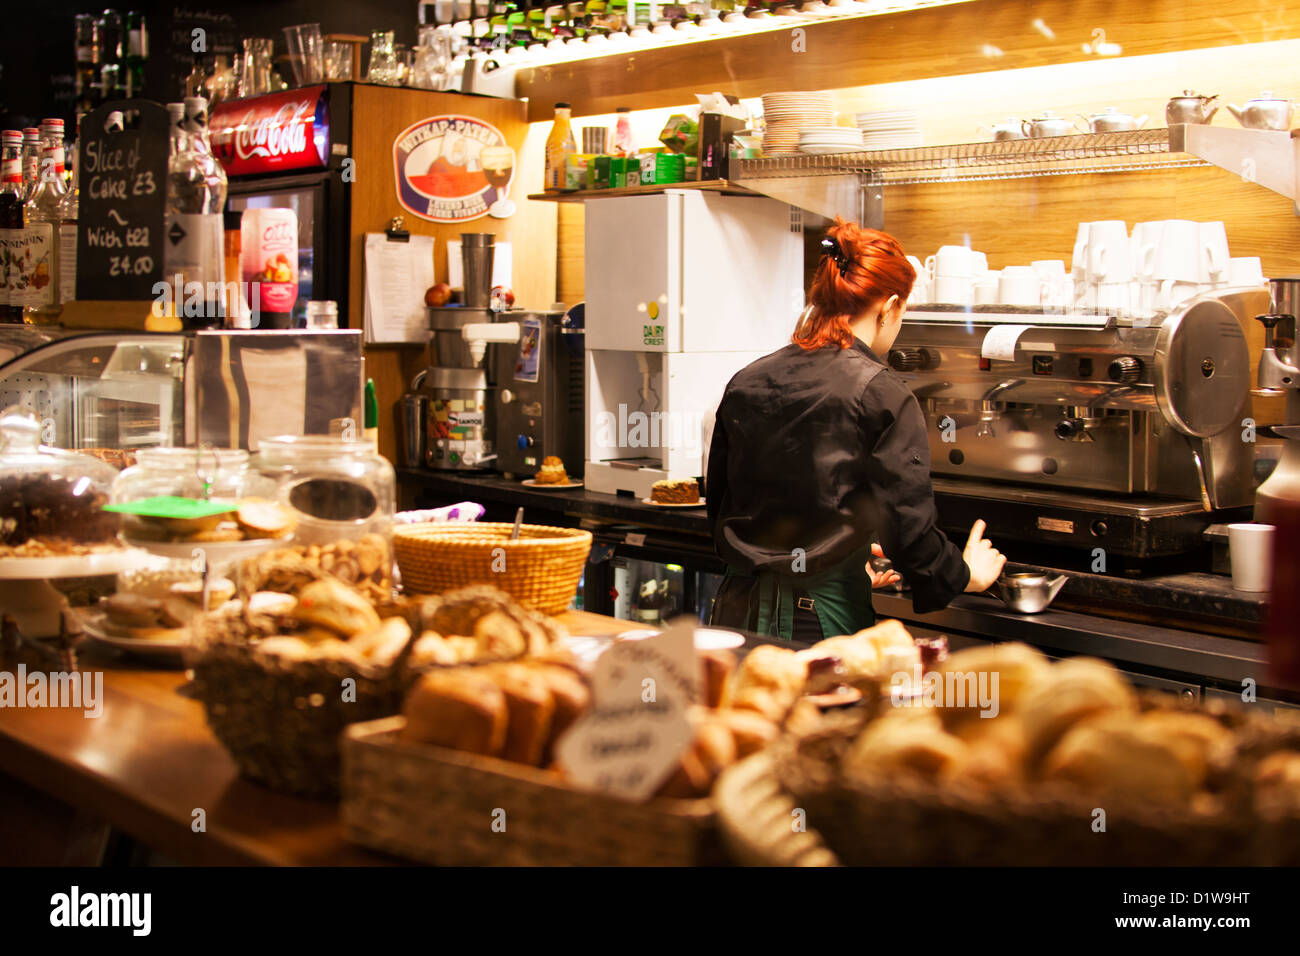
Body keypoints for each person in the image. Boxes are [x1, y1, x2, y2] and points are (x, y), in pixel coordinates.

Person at [706, 219, 1006, 641]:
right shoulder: (882, 392)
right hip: (817, 619)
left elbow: (723, 503)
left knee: (748, 707)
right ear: (889, 306)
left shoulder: (749, 379)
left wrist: (842, 543)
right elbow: (908, 531)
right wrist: (965, 574)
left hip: (733, 608)